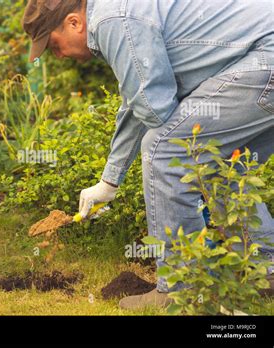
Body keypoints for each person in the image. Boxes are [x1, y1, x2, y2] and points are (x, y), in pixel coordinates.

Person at [22, 0, 274, 309]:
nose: (58, 56)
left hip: (266, 57)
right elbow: (137, 101)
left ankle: (182, 289)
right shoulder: (117, 14)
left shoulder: (112, 18)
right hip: (264, 56)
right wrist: (109, 182)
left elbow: (154, 112)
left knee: (163, 148)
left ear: (75, 23)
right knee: (217, 162)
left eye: (54, 45)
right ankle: (266, 267)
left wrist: (169, 163)